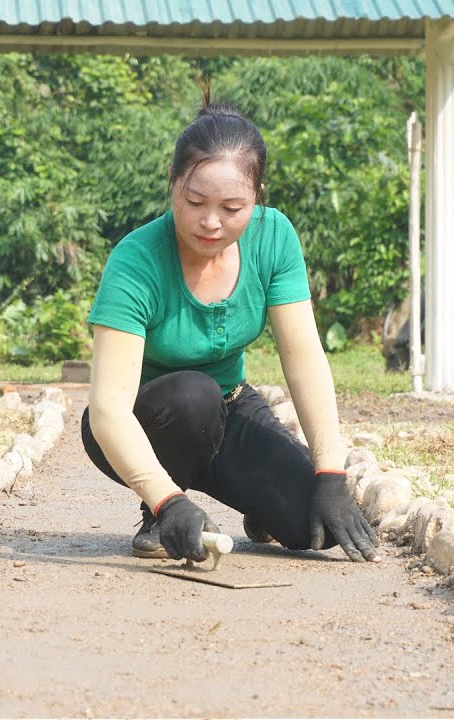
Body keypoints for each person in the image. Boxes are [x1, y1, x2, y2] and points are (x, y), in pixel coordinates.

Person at [80, 95, 380, 564]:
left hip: (229, 407)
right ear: (173, 182)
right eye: (195, 201)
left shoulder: (274, 236)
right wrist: (167, 501)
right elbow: (108, 410)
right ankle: (160, 512)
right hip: (149, 424)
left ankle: (254, 504)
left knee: (312, 527)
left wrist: (330, 472)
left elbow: (303, 357)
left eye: (232, 207)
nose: (210, 222)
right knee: (193, 395)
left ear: (257, 197)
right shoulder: (136, 261)